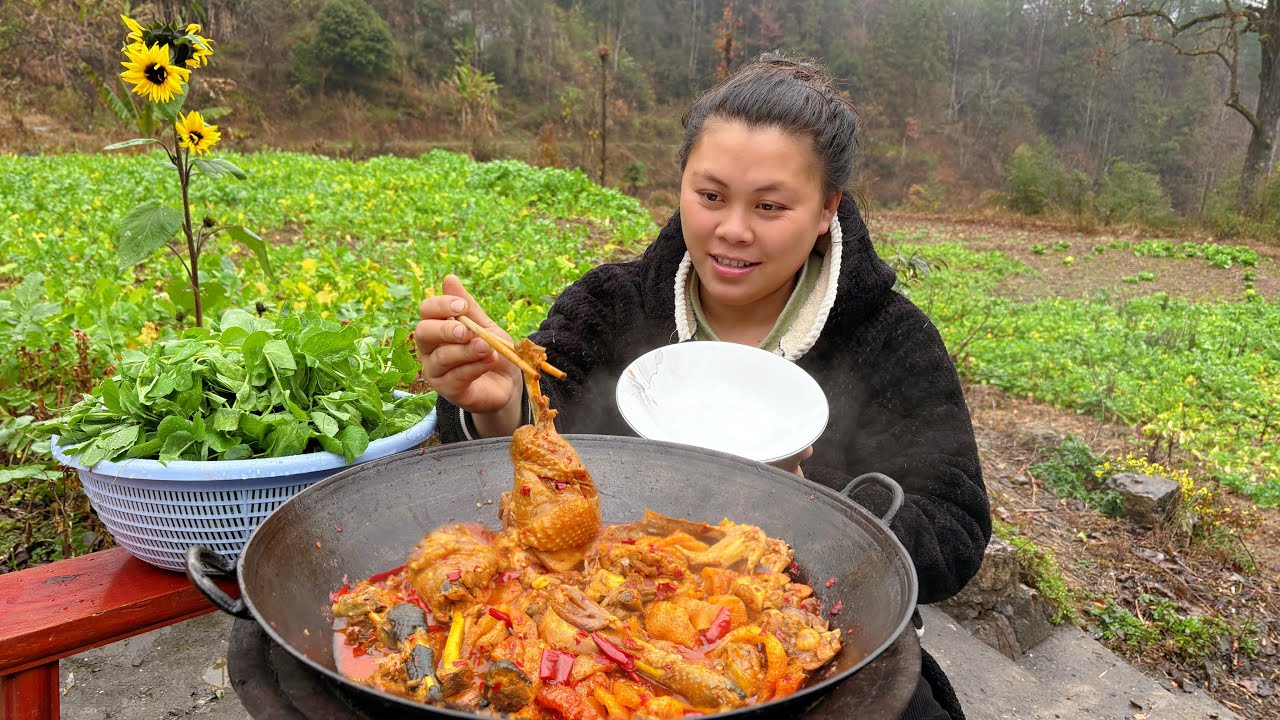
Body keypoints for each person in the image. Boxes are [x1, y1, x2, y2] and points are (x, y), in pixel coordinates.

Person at [415, 53, 991, 720]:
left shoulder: (889, 337)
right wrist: (500, 406)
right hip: (591, 637)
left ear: (827, 207)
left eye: (770, 206)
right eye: (710, 196)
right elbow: (534, 462)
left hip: (810, 663)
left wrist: (817, 506)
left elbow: (955, 531)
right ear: (682, 182)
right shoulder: (612, 303)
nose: (733, 230)